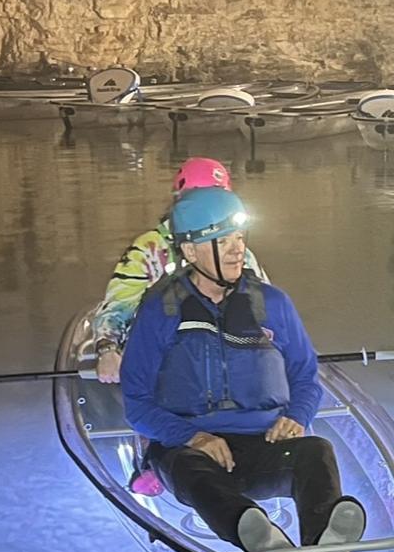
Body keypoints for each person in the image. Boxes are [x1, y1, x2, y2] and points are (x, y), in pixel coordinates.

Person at [119, 187, 365, 552]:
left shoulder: (272, 303)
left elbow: (305, 375)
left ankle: (322, 542)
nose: (237, 250)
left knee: (316, 450)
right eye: (221, 241)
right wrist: (192, 436)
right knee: (188, 468)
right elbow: (136, 403)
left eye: (239, 238)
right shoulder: (160, 311)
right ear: (192, 252)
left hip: (263, 445)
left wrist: (296, 416)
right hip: (188, 450)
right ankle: (249, 528)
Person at [91, 157, 266, 384]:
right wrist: (108, 350)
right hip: (164, 364)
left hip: (228, 362)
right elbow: (118, 306)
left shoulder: (240, 253)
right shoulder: (149, 250)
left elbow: (266, 306)